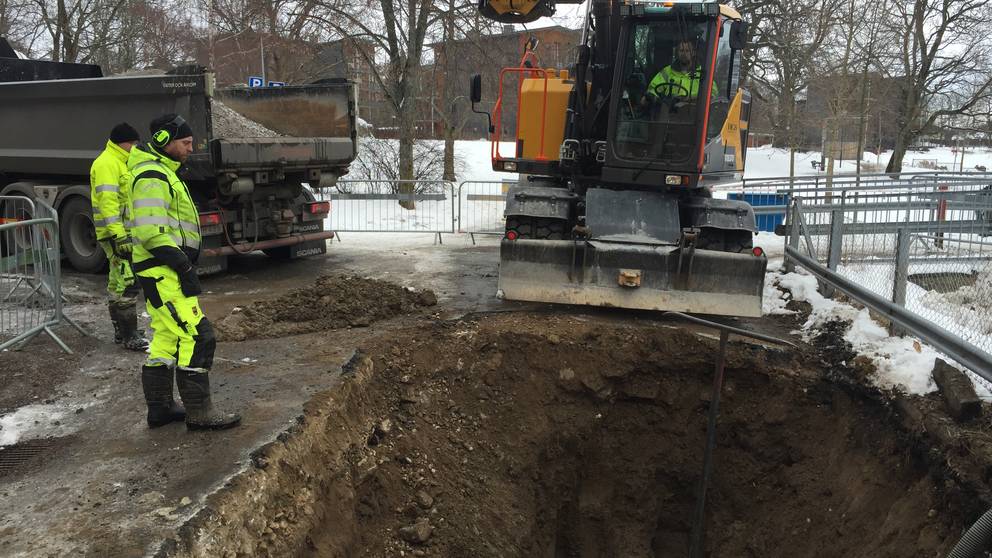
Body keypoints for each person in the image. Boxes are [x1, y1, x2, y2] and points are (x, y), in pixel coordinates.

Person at [129, 113, 240, 430]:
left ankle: (160, 409)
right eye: (186, 142)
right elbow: (151, 233)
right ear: (165, 141)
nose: (192, 148)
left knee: (166, 339)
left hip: (162, 271)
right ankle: (200, 412)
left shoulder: (163, 171)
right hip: (163, 271)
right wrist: (182, 266)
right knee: (198, 336)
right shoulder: (153, 175)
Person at [89, 123, 149, 351]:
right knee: (128, 282)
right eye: (132, 143)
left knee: (117, 281)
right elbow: (108, 203)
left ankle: (122, 331)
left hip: (119, 233)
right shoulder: (107, 164)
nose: (134, 147)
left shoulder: (118, 161)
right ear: (122, 142)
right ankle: (130, 335)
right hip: (116, 235)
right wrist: (119, 235)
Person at [645, 39, 716, 104]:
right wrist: (650, 96)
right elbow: (653, 88)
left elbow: (713, 94)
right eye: (681, 50)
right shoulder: (667, 71)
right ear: (677, 53)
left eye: (687, 51)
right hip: (670, 112)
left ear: (693, 53)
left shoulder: (702, 74)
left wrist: (692, 98)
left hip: (694, 113)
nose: (684, 54)